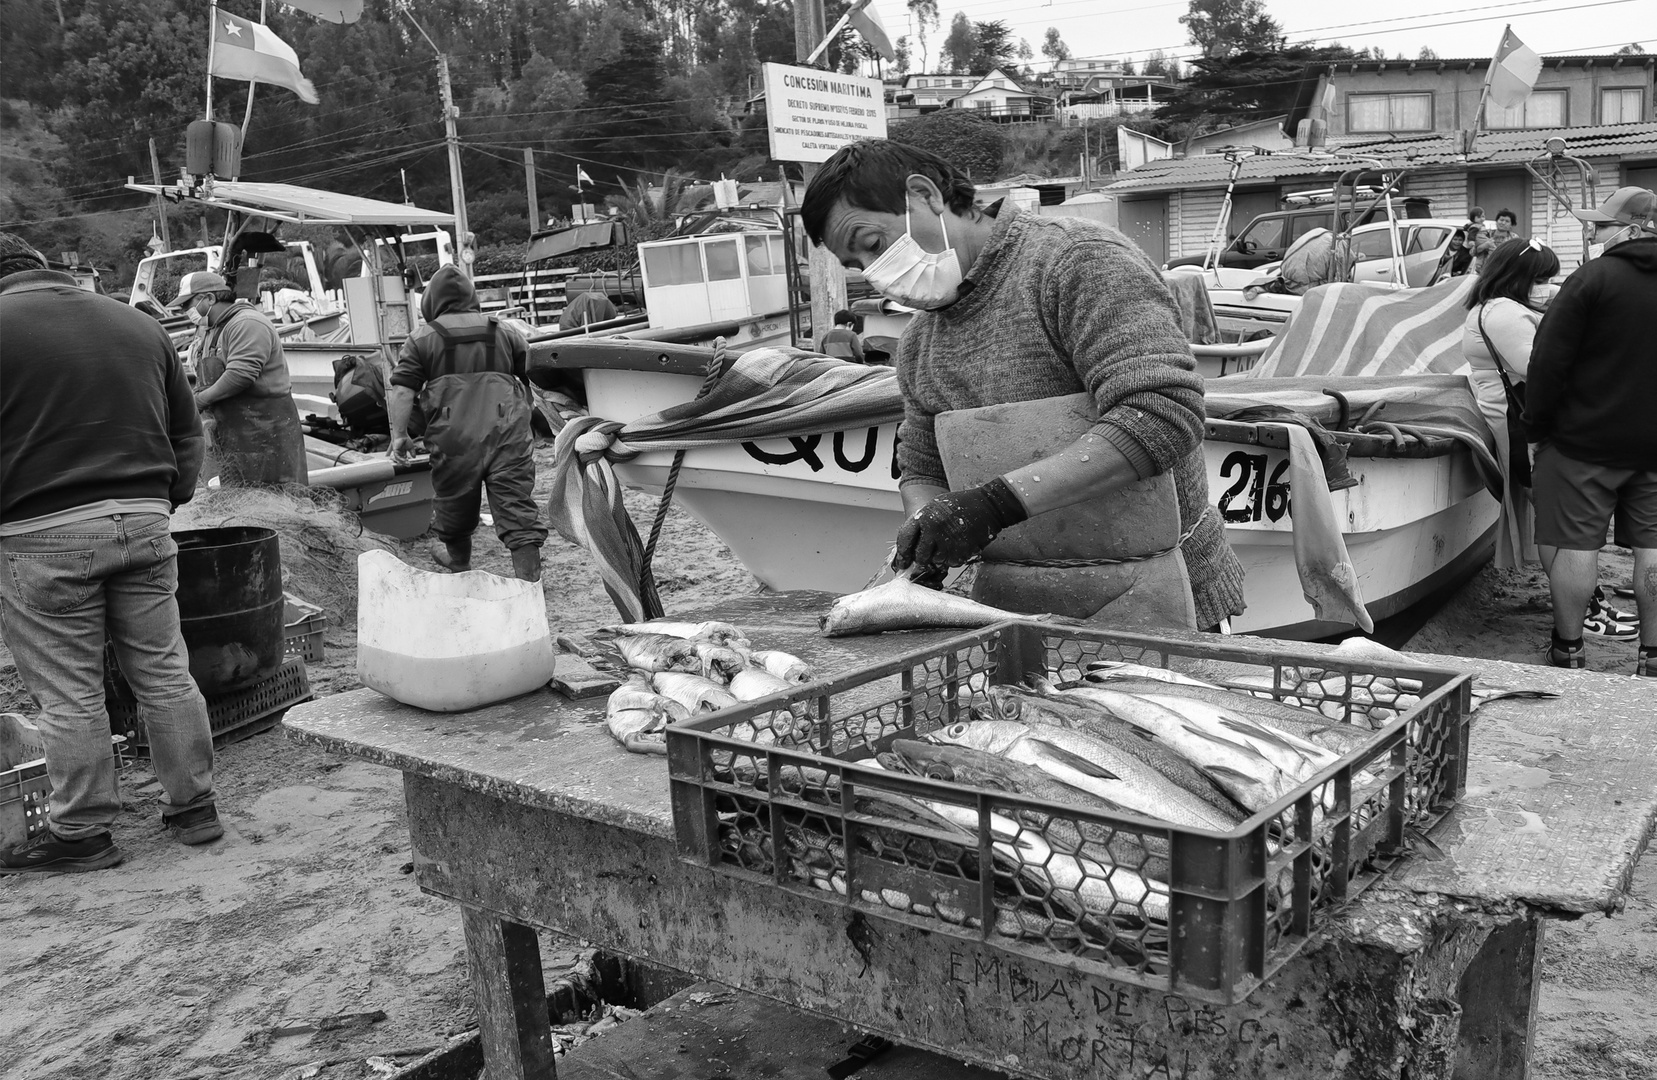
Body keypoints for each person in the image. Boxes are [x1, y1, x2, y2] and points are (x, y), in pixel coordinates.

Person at [802, 140, 1246, 631]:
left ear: (926, 196)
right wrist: (927, 534)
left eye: (874, 245)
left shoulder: (1077, 260)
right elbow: (922, 464)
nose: (876, 273)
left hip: (1160, 590)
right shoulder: (918, 344)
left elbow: (1162, 413)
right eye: (860, 265)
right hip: (1008, 609)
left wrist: (994, 505)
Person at [0, 233, 221, 873]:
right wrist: (167, 499)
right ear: (49, 267)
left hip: (41, 534)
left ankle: (84, 832)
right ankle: (195, 808)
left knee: (70, 693)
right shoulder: (139, 324)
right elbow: (187, 431)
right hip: (146, 521)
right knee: (163, 671)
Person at [1525, 186, 1657, 674]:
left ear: (1632, 229)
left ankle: (1568, 650)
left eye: (1601, 225)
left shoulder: (1591, 279)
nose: (1593, 232)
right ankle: (1653, 658)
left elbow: (1547, 364)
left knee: (1578, 544)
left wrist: (1535, 428)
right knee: (1654, 547)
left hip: (1584, 445)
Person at [389, 264, 548, 582]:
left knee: (454, 500)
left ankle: (459, 562)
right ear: (472, 297)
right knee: (516, 502)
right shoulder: (503, 331)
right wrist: (533, 413)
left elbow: (403, 390)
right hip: (508, 434)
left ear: (430, 301)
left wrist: (399, 435)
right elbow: (537, 372)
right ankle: (529, 580)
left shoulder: (421, 339)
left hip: (454, 439)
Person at [172, 270, 307, 486]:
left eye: (188, 304)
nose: (185, 310)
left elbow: (240, 375)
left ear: (209, 298)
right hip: (236, 437)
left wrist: (198, 401)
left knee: (275, 497)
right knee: (239, 499)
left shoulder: (246, 323)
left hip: (267, 433)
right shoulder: (212, 331)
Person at [1471, 209, 1520, 275]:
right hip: (1483, 273)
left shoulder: (1514, 238)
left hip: (1503, 273)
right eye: (1501, 220)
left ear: (1511, 225)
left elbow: (1516, 257)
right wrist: (1485, 245)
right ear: (1496, 221)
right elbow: (1472, 252)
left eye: (1507, 221)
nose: (1503, 223)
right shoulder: (1485, 234)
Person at [1450, 206, 1485, 276]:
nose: (1482, 219)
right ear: (1473, 218)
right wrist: (1471, 242)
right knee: (1463, 259)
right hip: (1468, 247)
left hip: (1472, 248)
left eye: (1483, 216)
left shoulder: (1478, 225)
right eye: (1479, 217)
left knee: (1467, 260)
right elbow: (1471, 235)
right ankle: (1455, 269)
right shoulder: (1475, 226)